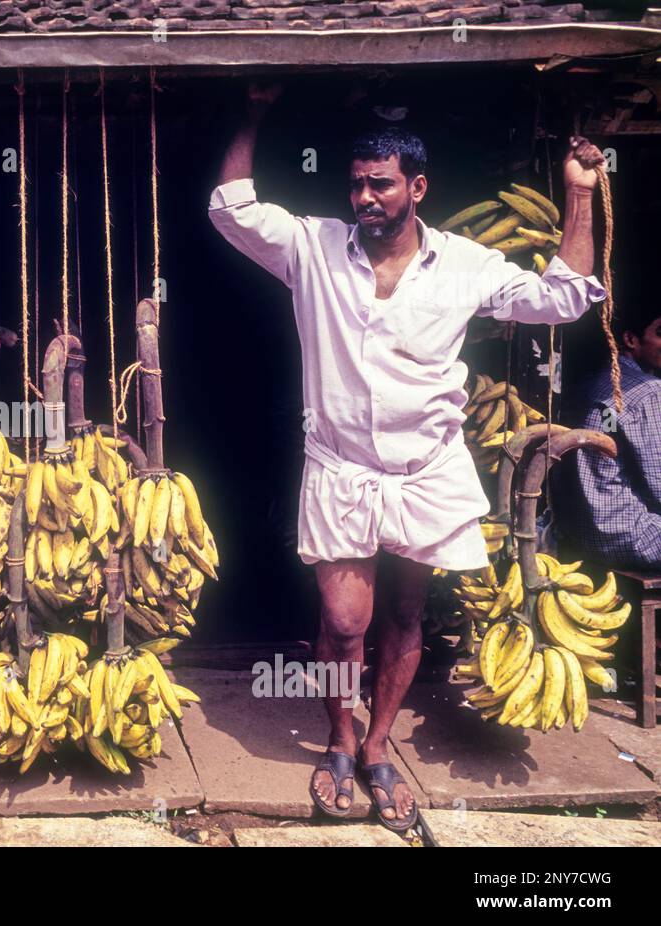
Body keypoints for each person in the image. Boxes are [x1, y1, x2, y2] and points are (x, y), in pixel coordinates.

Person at [208, 82, 606, 831]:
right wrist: (254, 112)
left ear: (417, 188)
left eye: (381, 184)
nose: (364, 196)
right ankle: (338, 736)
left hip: (427, 470)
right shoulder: (314, 249)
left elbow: (565, 297)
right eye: (356, 182)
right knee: (344, 619)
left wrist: (579, 196)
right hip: (341, 467)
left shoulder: (463, 265)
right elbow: (230, 207)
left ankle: (379, 749)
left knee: (405, 609)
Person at [560, 306, 661, 570]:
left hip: (583, 532)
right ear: (630, 340)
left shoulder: (590, 383)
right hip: (631, 533)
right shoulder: (649, 392)